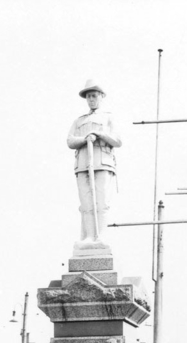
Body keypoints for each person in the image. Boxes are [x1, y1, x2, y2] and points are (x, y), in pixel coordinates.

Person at [67, 80, 122, 249]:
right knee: (86, 203)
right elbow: (70, 140)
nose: (91, 99)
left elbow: (118, 141)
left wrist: (100, 134)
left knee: (101, 201)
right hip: (83, 164)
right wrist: (84, 139)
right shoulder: (79, 121)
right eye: (89, 96)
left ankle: (101, 236)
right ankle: (89, 236)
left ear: (101, 97)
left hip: (102, 163)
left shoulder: (108, 117)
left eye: (94, 96)